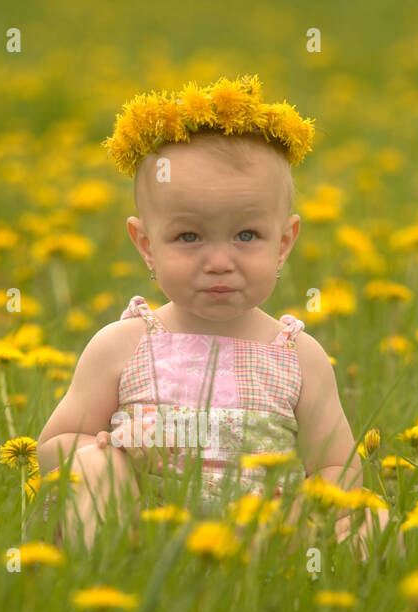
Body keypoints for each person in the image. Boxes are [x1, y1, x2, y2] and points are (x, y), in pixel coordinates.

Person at [36, 74, 387, 557]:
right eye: (189, 237)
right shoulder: (123, 344)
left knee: (373, 520)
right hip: (143, 530)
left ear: (283, 243)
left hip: (267, 540)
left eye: (246, 236)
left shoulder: (297, 355)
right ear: (146, 245)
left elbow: (337, 466)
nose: (219, 260)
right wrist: (107, 451)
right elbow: (54, 445)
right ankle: (110, 572)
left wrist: (307, 509)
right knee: (89, 469)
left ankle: (307, 594)